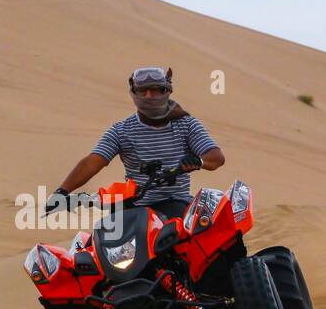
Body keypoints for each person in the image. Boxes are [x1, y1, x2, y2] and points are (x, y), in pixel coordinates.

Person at [49, 66, 224, 220]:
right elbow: (93, 161)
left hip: (175, 204)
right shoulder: (121, 130)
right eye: (142, 91)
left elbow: (216, 157)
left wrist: (198, 161)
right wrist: (62, 192)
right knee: (100, 239)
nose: (148, 96)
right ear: (134, 93)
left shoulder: (186, 124)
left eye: (154, 90)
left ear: (166, 91)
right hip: (133, 206)